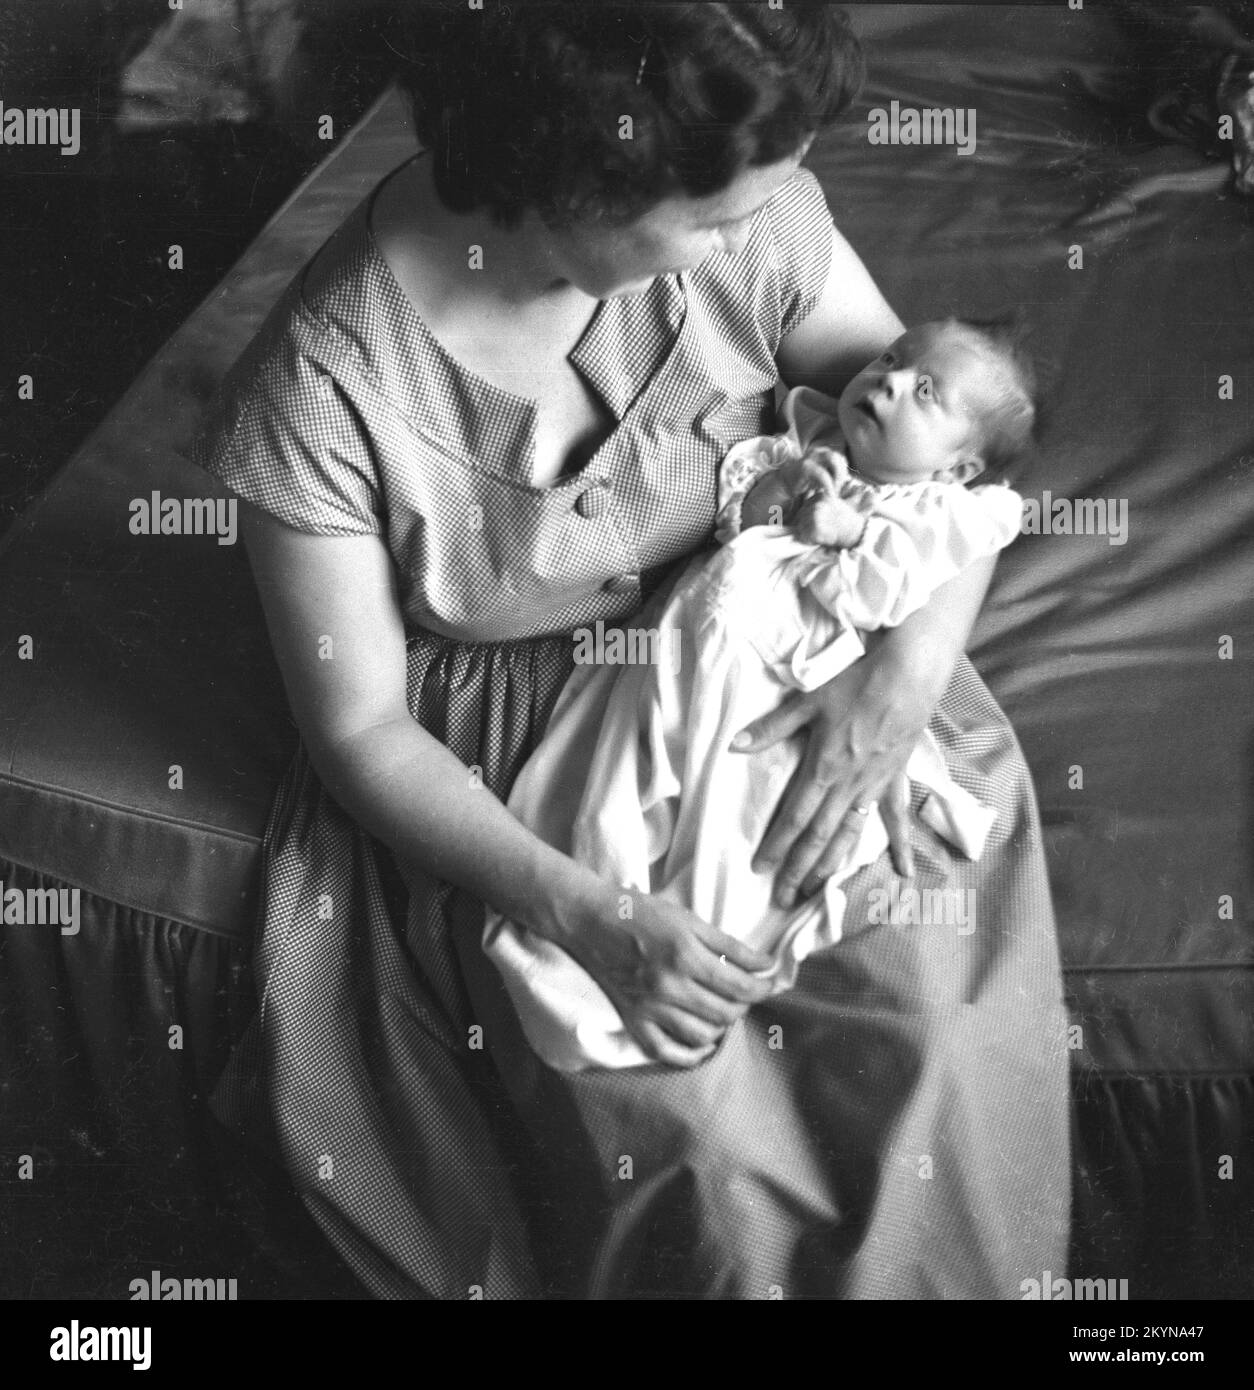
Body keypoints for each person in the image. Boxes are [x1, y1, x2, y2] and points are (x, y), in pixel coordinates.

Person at [195, 1, 1069, 1298]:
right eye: (712, 216)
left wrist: (908, 671)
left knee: (929, 1043)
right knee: (698, 1154)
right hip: (537, 787)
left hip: (788, 672)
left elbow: (946, 471)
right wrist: (591, 917)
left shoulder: (756, 216)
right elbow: (361, 730)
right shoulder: (323, 393)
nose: (754, 232)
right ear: (573, 179)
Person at [482, 319, 1035, 1074]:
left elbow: (882, 589)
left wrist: (848, 532)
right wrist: (779, 495)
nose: (889, 380)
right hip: (693, 644)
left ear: (958, 468)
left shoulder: (939, 515)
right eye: (891, 360)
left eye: (925, 392)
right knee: (626, 774)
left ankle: (703, 942)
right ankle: (603, 914)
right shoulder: (797, 447)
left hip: (796, 673)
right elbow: (739, 521)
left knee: (747, 805)